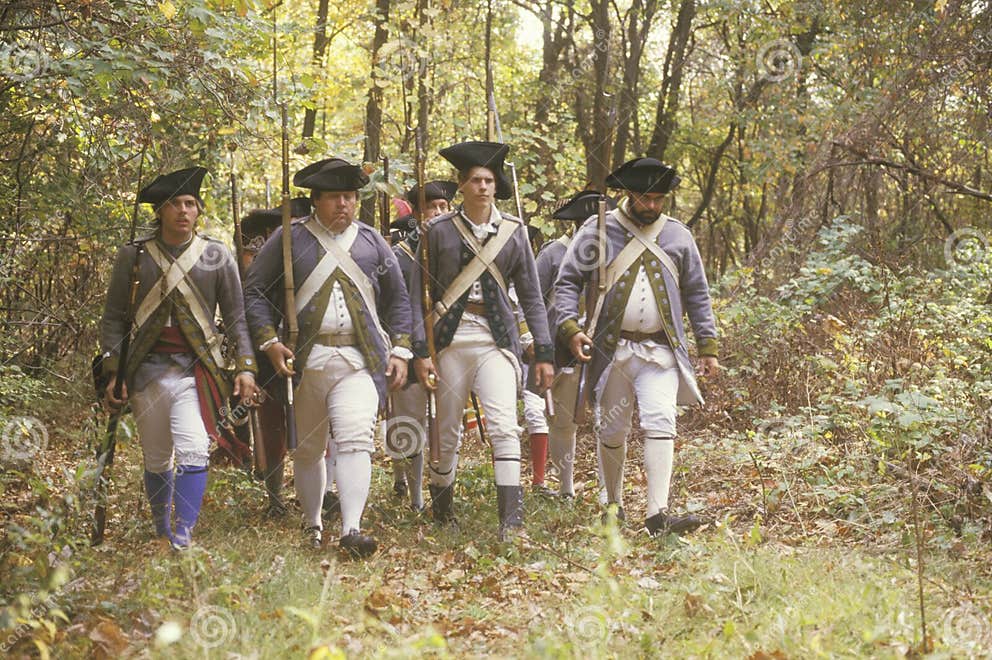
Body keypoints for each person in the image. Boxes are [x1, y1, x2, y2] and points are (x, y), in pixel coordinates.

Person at [244, 157, 413, 557]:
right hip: (306, 360)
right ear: (316, 200)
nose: (344, 204)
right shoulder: (288, 239)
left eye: (350, 196)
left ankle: (352, 528)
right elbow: (254, 292)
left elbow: (398, 299)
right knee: (308, 449)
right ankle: (313, 523)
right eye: (335, 197)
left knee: (356, 438)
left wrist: (402, 349)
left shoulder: (372, 241)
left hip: (360, 358)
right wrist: (269, 342)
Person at [554, 157, 719, 536]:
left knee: (661, 419)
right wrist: (570, 328)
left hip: (660, 351)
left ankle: (658, 513)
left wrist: (707, 346)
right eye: (646, 198)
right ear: (628, 194)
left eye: (659, 199)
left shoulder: (678, 236)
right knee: (612, 429)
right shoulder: (597, 230)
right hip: (611, 351)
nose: (652, 205)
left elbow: (697, 292)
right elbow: (567, 282)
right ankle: (612, 504)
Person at [100, 166, 258, 549]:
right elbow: (114, 319)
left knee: (193, 447)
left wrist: (245, 367)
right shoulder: (133, 256)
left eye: (190, 203)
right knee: (157, 456)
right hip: (145, 370)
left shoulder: (216, 255)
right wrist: (113, 372)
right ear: (160, 211)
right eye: (174, 204)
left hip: (197, 369)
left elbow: (236, 317)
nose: (183, 211)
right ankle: (161, 528)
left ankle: (183, 533)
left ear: (198, 209)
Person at [409, 140, 554, 541]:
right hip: (449, 342)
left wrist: (543, 351)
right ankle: (443, 510)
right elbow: (416, 295)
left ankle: (512, 521)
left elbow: (531, 296)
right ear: (462, 184)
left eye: (489, 180)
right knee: (448, 431)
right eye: (475, 180)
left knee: (505, 425)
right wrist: (420, 350)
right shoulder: (437, 231)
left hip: (497, 341)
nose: (483, 187)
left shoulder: (514, 232)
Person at [533, 190, 616, 499]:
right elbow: (533, 299)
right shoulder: (552, 254)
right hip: (562, 347)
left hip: (606, 343)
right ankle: (565, 489)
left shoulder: (615, 251)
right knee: (563, 421)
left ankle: (609, 493)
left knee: (608, 421)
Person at [386, 180, 457, 510]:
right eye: (432, 207)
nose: (439, 212)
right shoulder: (398, 256)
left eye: (444, 207)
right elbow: (393, 305)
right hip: (410, 344)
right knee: (409, 421)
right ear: (417, 213)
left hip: (448, 343)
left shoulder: (456, 247)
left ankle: (442, 490)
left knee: (445, 421)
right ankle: (414, 495)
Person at [237, 198, 309, 517]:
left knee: (316, 425)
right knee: (271, 424)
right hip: (267, 348)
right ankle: (275, 496)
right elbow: (251, 295)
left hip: (309, 346)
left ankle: (319, 493)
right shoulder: (260, 255)